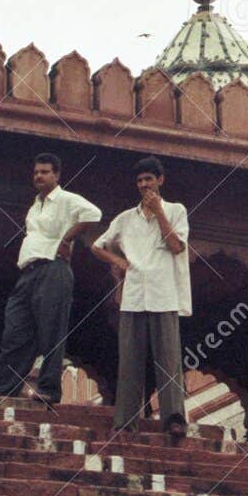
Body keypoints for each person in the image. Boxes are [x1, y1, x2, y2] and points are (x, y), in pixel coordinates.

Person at [93, 160, 190, 442]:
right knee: (130, 362)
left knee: (169, 361)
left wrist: (160, 212)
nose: (144, 185)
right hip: (134, 297)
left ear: (161, 180)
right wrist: (119, 261)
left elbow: (176, 246)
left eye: (149, 179)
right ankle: (125, 422)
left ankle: (174, 420)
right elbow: (97, 246)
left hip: (164, 295)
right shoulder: (125, 218)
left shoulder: (176, 210)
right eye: (140, 181)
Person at [0, 154, 101, 409]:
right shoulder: (35, 206)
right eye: (36, 173)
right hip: (28, 272)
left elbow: (94, 213)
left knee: (51, 330)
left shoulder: (65, 199)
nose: (38, 176)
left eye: (44, 172)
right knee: (15, 332)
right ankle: (6, 388)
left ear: (56, 175)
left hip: (53, 268)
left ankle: (49, 389)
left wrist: (66, 240)